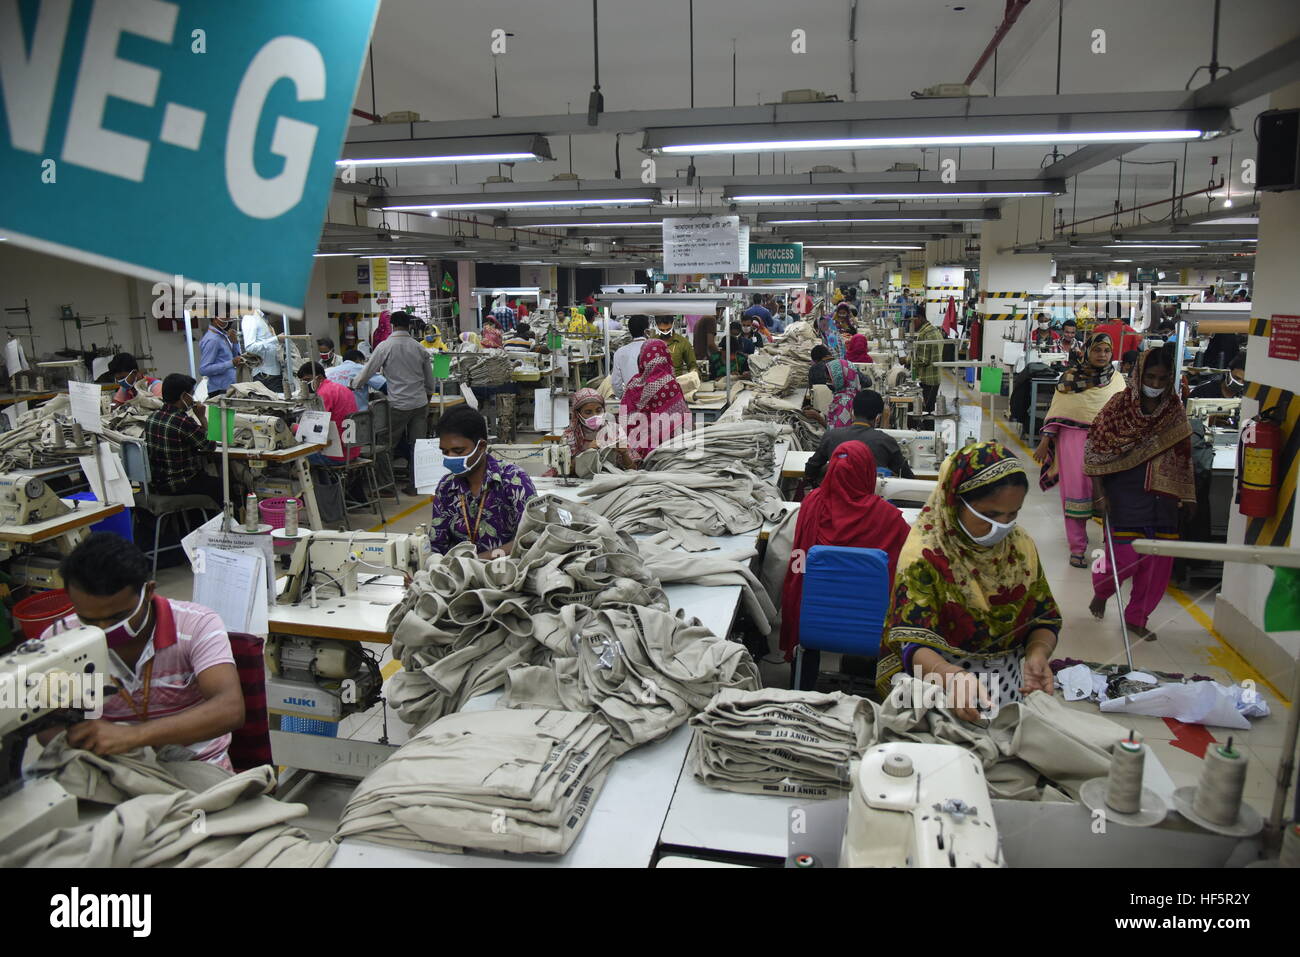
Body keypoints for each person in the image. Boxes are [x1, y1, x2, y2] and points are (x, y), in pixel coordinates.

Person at [875, 442, 1061, 717]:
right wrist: (950, 675)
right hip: (938, 689)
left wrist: (1037, 653)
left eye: (1013, 514)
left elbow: (1044, 618)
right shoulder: (926, 555)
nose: (1002, 525)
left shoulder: (1020, 548)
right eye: (990, 515)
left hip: (1007, 689)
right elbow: (912, 642)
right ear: (954, 501)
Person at [37, 533, 244, 769]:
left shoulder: (197, 625)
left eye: (117, 617)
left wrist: (132, 736)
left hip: (195, 765)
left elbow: (230, 708)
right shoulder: (59, 639)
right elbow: (47, 727)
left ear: (149, 591)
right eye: (89, 620)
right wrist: (74, 737)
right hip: (111, 766)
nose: (103, 630)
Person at [1084, 344, 1196, 640]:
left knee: (1157, 567)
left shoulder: (1174, 408)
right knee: (1122, 559)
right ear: (1139, 374)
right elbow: (1095, 449)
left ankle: (1137, 617)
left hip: (1164, 500)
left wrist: (1187, 495)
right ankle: (1102, 589)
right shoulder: (1119, 407)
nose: (1156, 385)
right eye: (1151, 377)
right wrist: (1099, 494)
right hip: (1126, 494)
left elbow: (1184, 454)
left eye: (1162, 379)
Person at [781, 442, 912, 690]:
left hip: (814, 624)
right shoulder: (888, 518)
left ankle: (802, 686)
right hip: (871, 627)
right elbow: (905, 568)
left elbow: (799, 564)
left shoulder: (812, 504)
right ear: (868, 473)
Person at [1032, 333, 1127, 567]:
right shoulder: (1070, 378)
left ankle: (1111, 544)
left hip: (1107, 442)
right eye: (1097, 350)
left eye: (1106, 351)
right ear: (1087, 351)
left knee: (1111, 491)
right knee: (1076, 491)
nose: (1102, 355)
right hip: (1073, 439)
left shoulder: (1117, 381)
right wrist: (1045, 441)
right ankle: (1077, 548)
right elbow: (1058, 410)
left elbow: (1126, 413)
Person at [428, 406, 535, 559]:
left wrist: (476, 561)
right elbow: (437, 545)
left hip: (506, 574)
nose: (450, 457)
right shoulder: (446, 487)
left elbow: (530, 539)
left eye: (458, 451)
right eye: (445, 452)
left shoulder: (514, 481)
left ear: (481, 447)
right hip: (458, 576)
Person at [350, 312, 436, 495]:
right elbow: (430, 380)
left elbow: (367, 371)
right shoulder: (419, 348)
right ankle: (416, 486)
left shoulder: (385, 346)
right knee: (418, 446)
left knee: (385, 445)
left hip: (397, 405)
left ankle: (387, 487)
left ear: (392, 325)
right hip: (419, 404)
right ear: (409, 326)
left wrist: (354, 384)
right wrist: (427, 397)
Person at [142, 373, 224, 503]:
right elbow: (210, 446)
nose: (193, 399)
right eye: (192, 394)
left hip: (157, 483)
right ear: (184, 396)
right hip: (180, 484)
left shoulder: (152, 417)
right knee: (223, 485)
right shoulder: (182, 421)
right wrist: (202, 418)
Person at [805, 389, 914, 483]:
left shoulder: (831, 436)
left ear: (852, 412)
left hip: (837, 501)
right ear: (878, 417)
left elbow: (810, 470)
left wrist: (831, 468)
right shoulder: (886, 441)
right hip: (870, 503)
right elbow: (907, 477)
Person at [620, 339, 692, 459]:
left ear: (642, 359)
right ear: (667, 358)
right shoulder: (670, 384)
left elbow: (624, 419)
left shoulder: (633, 384)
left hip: (634, 455)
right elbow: (684, 421)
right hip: (668, 454)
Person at [557, 388, 639, 473]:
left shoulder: (614, 431)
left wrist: (624, 453)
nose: (595, 415)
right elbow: (563, 471)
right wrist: (586, 454)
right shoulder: (570, 437)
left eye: (599, 410)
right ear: (578, 414)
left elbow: (633, 469)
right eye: (588, 412)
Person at [298, 361, 359, 464]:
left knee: (294, 457)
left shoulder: (322, 394)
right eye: (302, 382)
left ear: (320, 378)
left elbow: (316, 429)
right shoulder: (341, 388)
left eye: (307, 380)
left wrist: (295, 428)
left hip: (337, 454)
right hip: (352, 450)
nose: (305, 385)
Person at [807, 344, 862, 429]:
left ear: (840, 377)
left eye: (831, 378)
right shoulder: (851, 395)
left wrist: (818, 418)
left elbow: (837, 433)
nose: (828, 381)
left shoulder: (844, 402)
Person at [198, 315, 244, 396]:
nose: (229, 320)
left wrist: (235, 343)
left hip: (230, 388)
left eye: (230, 317)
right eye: (226, 317)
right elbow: (203, 369)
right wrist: (231, 363)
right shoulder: (212, 339)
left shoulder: (222, 336)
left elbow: (232, 358)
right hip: (220, 391)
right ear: (215, 319)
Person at [909, 310, 945, 413]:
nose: (911, 325)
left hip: (927, 380)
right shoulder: (935, 331)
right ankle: (929, 427)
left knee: (925, 411)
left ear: (919, 318)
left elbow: (923, 360)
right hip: (936, 377)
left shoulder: (924, 334)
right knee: (930, 408)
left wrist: (908, 360)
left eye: (913, 321)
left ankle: (927, 428)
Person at [242, 315, 287, 393]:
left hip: (274, 374)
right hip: (264, 375)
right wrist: (276, 339)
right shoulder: (250, 318)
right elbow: (250, 347)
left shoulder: (263, 319)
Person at [611, 314, 651, 397]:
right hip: (652, 400)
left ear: (630, 330)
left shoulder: (620, 352)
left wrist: (623, 397)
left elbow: (616, 383)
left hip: (631, 399)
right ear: (647, 330)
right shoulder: (654, 349)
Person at [692, 311, 719, 376]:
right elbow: (710, 344)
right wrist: (720, 355)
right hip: (705, 361)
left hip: (698, 359)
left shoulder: (699, 321)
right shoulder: (711, 319)